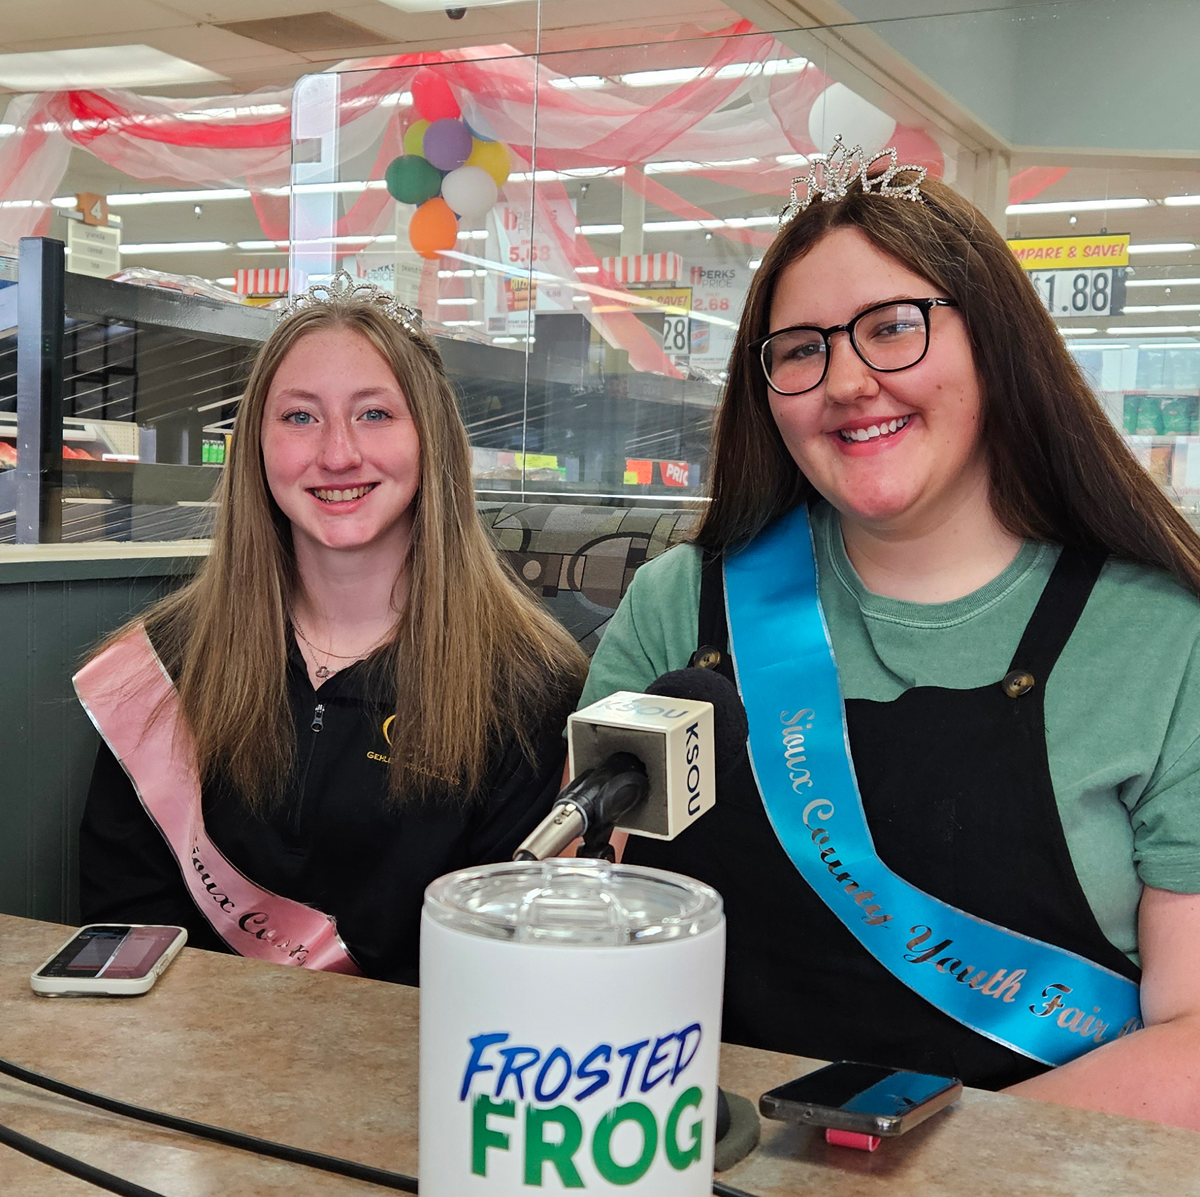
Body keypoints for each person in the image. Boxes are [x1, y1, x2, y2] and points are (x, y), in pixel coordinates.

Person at [580, 143, 1200, 1127]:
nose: (849, 380)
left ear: (994, 341)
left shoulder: (1163, 640)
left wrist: (916, 1169)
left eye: (893, 327)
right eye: (801, 349)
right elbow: (582, 940)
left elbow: (1192, 1041)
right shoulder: (678, 609)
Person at [77, 274, 587, 984]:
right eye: (299, 417)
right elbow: (124, 928)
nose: (338, 453)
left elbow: (506, 963)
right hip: (183, 1072)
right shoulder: (163, 668)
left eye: (375, 414)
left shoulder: (531, 688)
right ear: (257, 444)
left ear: (430, 439)